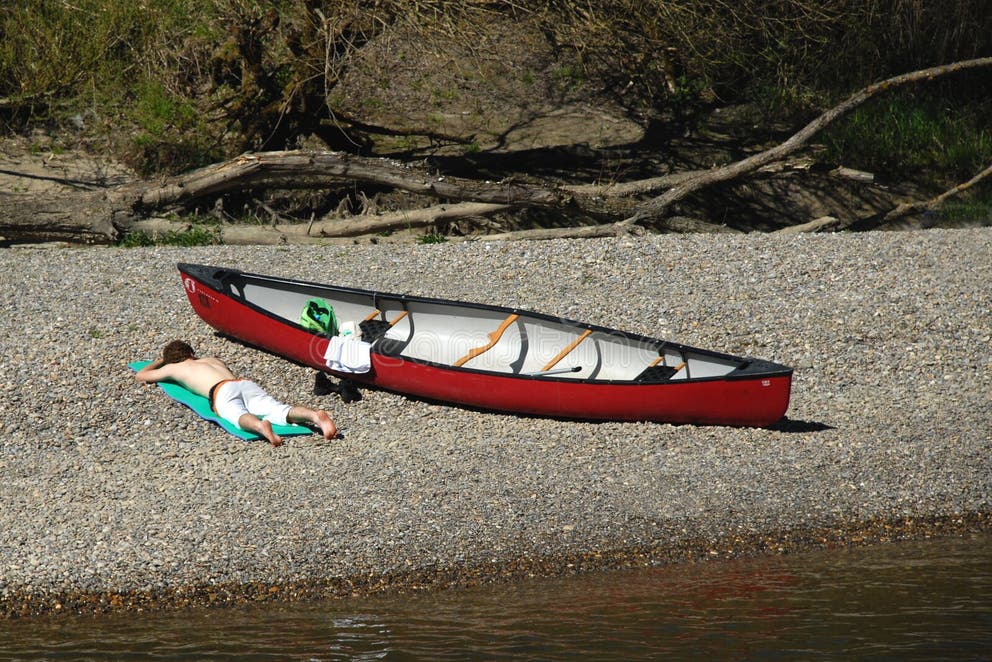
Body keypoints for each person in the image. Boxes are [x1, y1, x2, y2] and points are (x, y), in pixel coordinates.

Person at [136, 340, 337, 446]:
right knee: (278, 409)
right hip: (243, 384)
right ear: (191, 354)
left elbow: (142, 375)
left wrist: (161, 362)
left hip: (222, 391)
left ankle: (260, 426)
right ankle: (314, 416)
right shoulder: (209, 360)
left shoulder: (175, 368)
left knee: (237, 414)